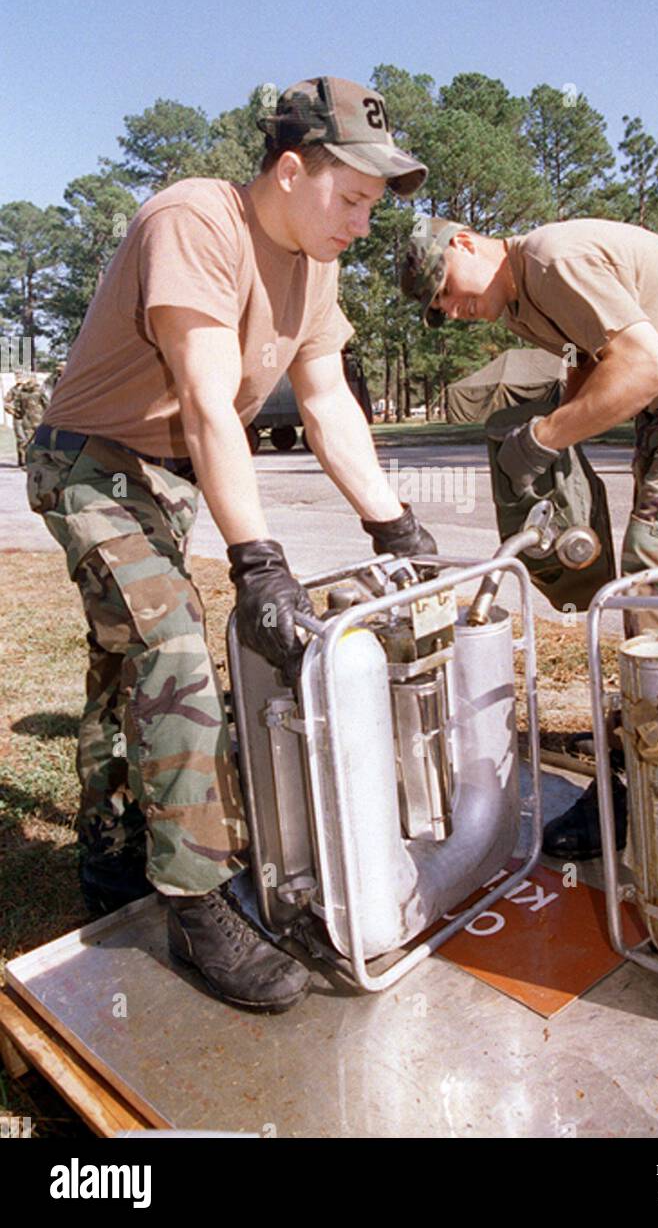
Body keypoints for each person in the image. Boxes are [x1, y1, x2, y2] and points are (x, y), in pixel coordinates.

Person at [26, 76, 435, 1014]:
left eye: (373, 207)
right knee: (173, 648)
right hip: (89, 462)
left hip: (163, 473)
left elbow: (328, 402)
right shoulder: (193, 221)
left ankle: (112, 850)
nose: (363, 226)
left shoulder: (316, 259)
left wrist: (394, 525)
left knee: (122, 654)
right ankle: (195, 896)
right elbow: (211, 401)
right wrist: (258, 561)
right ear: (289, 171)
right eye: (353, 199)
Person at [400, 214, 658, 861]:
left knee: (654, 578)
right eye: (439, 306)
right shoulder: (522, 297)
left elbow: (642, 365)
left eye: (443, 284)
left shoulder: (551, 259)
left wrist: (543, 437)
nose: (451, 306)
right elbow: (590, 363)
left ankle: (655, 786)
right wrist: (550, 447)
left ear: (465, 241)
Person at [4, 369, 48, 465]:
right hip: (25, 419)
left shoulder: (37, 391)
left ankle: (33, 460)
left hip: (34, 419)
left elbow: (47, 404)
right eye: (17, 375)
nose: (18, 377)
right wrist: (12, 411)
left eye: (20, 375)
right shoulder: (15, 390)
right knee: (23, 440)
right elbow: (7, 402)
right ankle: (24, 460)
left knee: (34, 440)